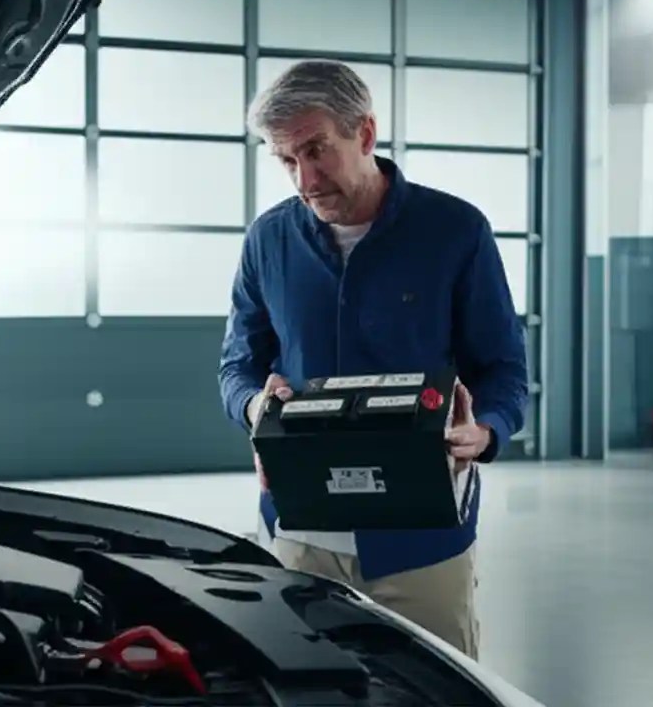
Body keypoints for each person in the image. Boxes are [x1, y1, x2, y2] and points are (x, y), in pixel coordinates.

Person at [217, 60, 528, 659]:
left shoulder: (456, 231)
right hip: (302, 530)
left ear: (364, 133)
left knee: (437, 693)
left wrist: (485, 431)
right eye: (286, 160)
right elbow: (237, 366)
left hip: (423, 536)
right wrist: (255, 405)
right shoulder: (267, 239)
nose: (304, 179)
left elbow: (505, 368)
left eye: (316, 150)